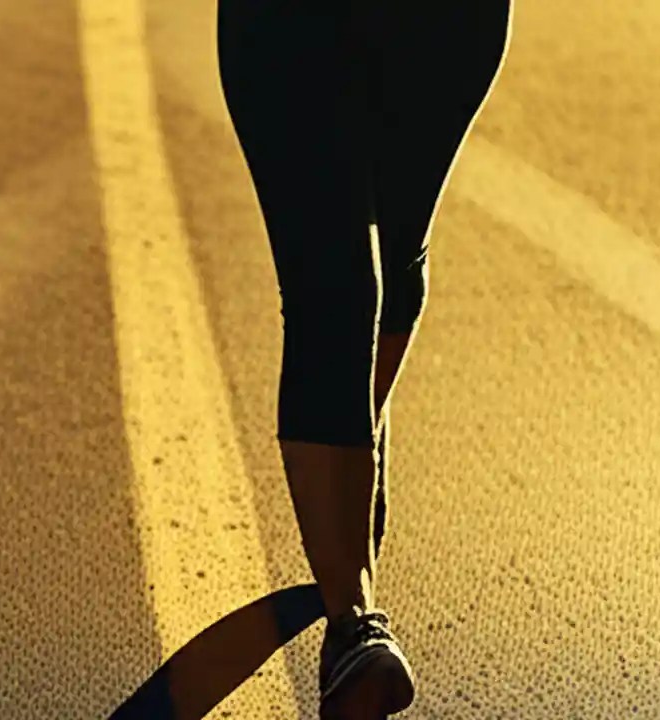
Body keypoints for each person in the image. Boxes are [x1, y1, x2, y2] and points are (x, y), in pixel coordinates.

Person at [216, 0, 513, 716]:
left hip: (444, 25)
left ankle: (355, 434)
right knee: (338, 288)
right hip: (290, 20)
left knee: (397, 266)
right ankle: (353, 625)